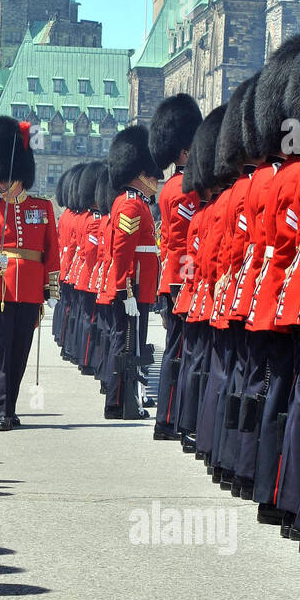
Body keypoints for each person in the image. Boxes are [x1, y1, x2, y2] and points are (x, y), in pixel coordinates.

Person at [0, 116, 59, 430]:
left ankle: (10, 406)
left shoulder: (43, 207)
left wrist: (51, 290)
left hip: (31, 291)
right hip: (1, 291)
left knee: (21, 352)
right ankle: (1, 411)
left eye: (5, 179)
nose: (1, 184)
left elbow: (52, 249)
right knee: (1, 352)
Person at [148, 94, 202, 440]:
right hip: (184, 276)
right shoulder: (186, 190)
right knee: (181, 351)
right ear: (184, 151)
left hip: (173, 275)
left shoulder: (170, 186)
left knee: (176, 348)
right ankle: (171, 420)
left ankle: (168, 419)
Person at [103, 125, 162, 420]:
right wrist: (126, 290)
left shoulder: (137, 203)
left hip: (140, 286)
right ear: (140, 174)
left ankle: (123, 400)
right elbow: (123, 251)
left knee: (131, 342)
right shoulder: (130, 205)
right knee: (128, 343)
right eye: (152, 176)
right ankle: (121, 401)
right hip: (134, 287)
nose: (156, 181)